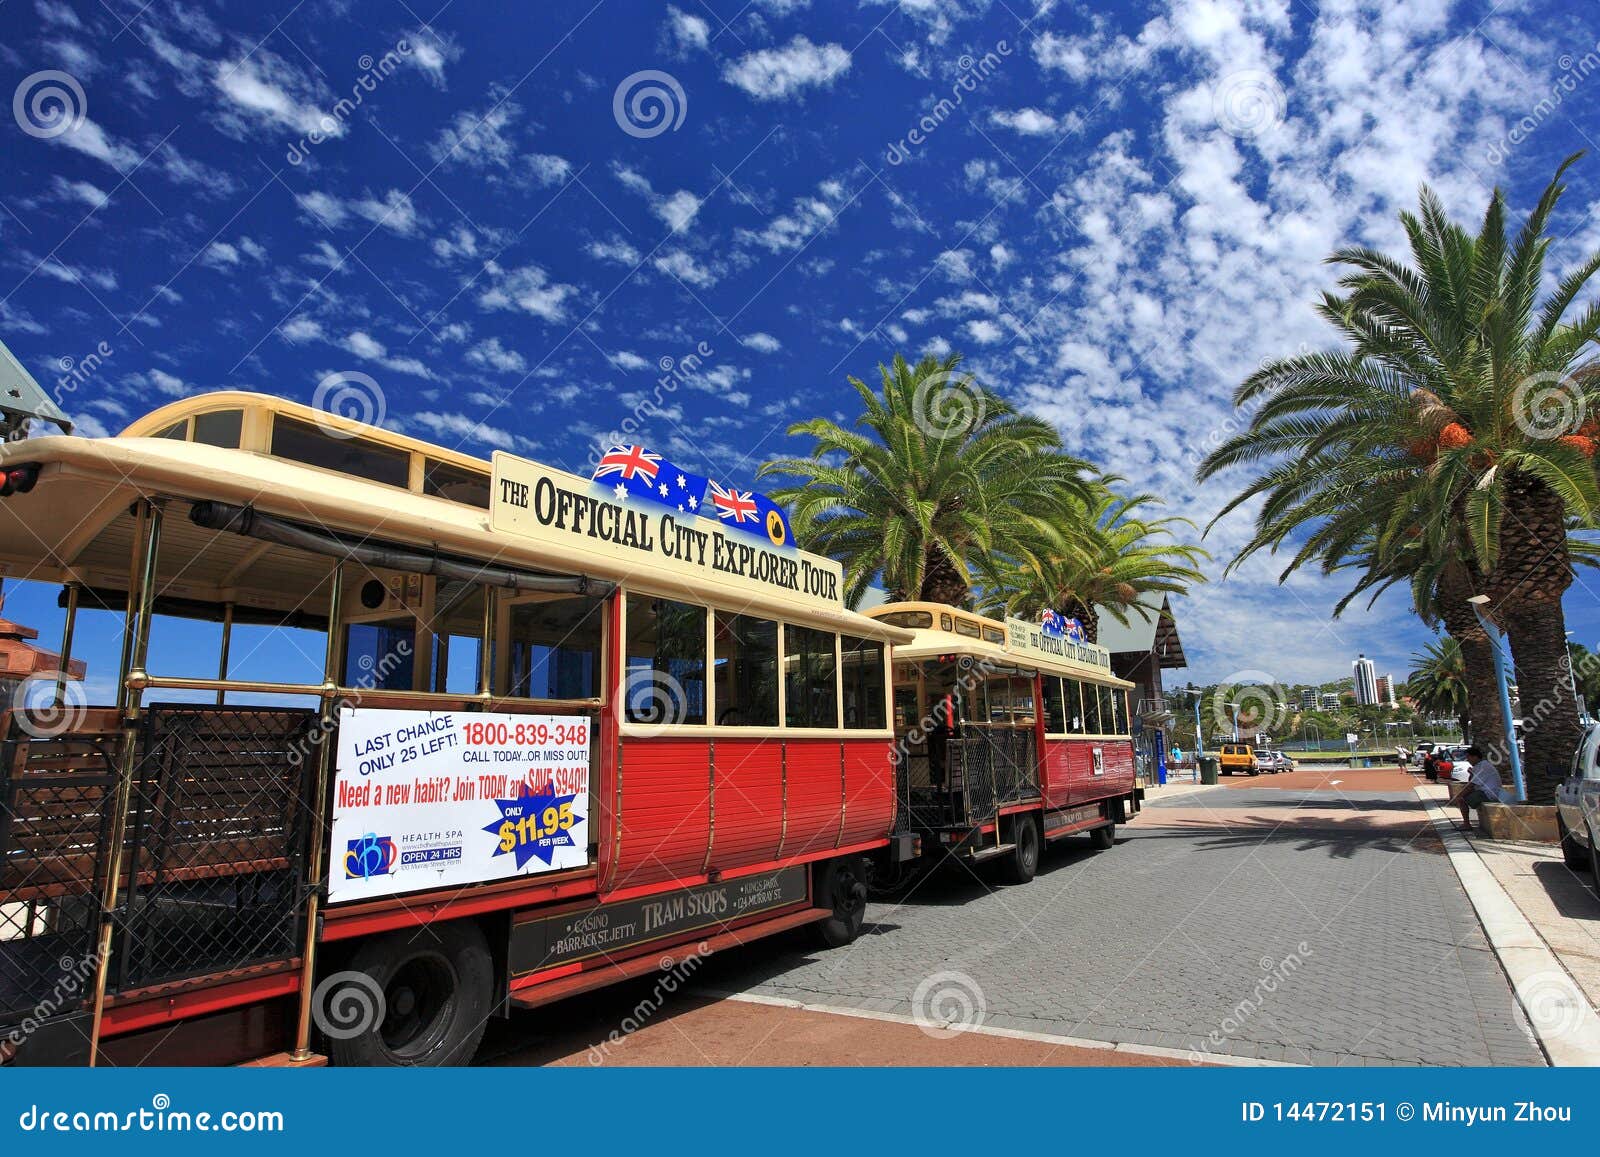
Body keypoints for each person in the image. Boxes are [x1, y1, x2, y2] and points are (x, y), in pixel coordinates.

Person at [1456, 744, 1505, 829]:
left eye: (1468, 757)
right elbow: (1471, 781)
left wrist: (1459, 795)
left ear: (1475, 757)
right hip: (1484, 792)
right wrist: (1471, 773)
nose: (1467, 759)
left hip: (1489, 794)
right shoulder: (1479, 766)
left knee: (1461, 799)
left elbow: (1471, 785)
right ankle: (1466, 823)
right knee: (1464, 796)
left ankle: (1467, 824)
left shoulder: (1483, 766)